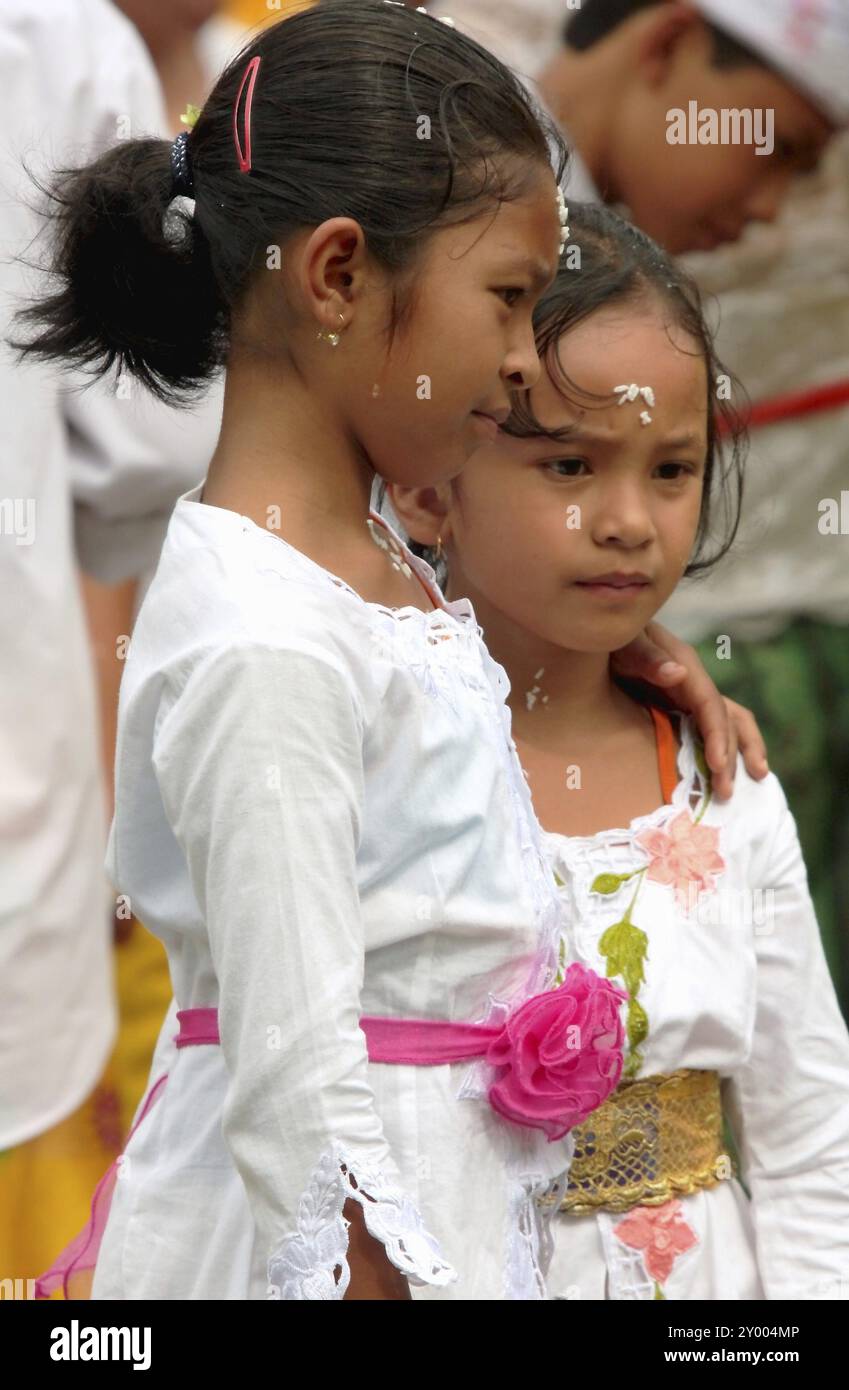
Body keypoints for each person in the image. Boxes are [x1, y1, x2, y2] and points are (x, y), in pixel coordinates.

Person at [15, 1, 768, 1302]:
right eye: (510, 299)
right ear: (339, 276)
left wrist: (608, 650)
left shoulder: (368, 555)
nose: (530, 364)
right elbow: (302, 1106)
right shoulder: (267, 641)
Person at [388, 200, 849, 1300]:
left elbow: (810, 1133)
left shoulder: (724, 788)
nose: (630, 521)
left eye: (673, 469)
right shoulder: (376, 769)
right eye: (569, 469)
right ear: (428, 482)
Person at [438, 0, 849, 250]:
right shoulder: (463, 188)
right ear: (667, 45)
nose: (769, 208)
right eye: (774, 147)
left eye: (801, 172)